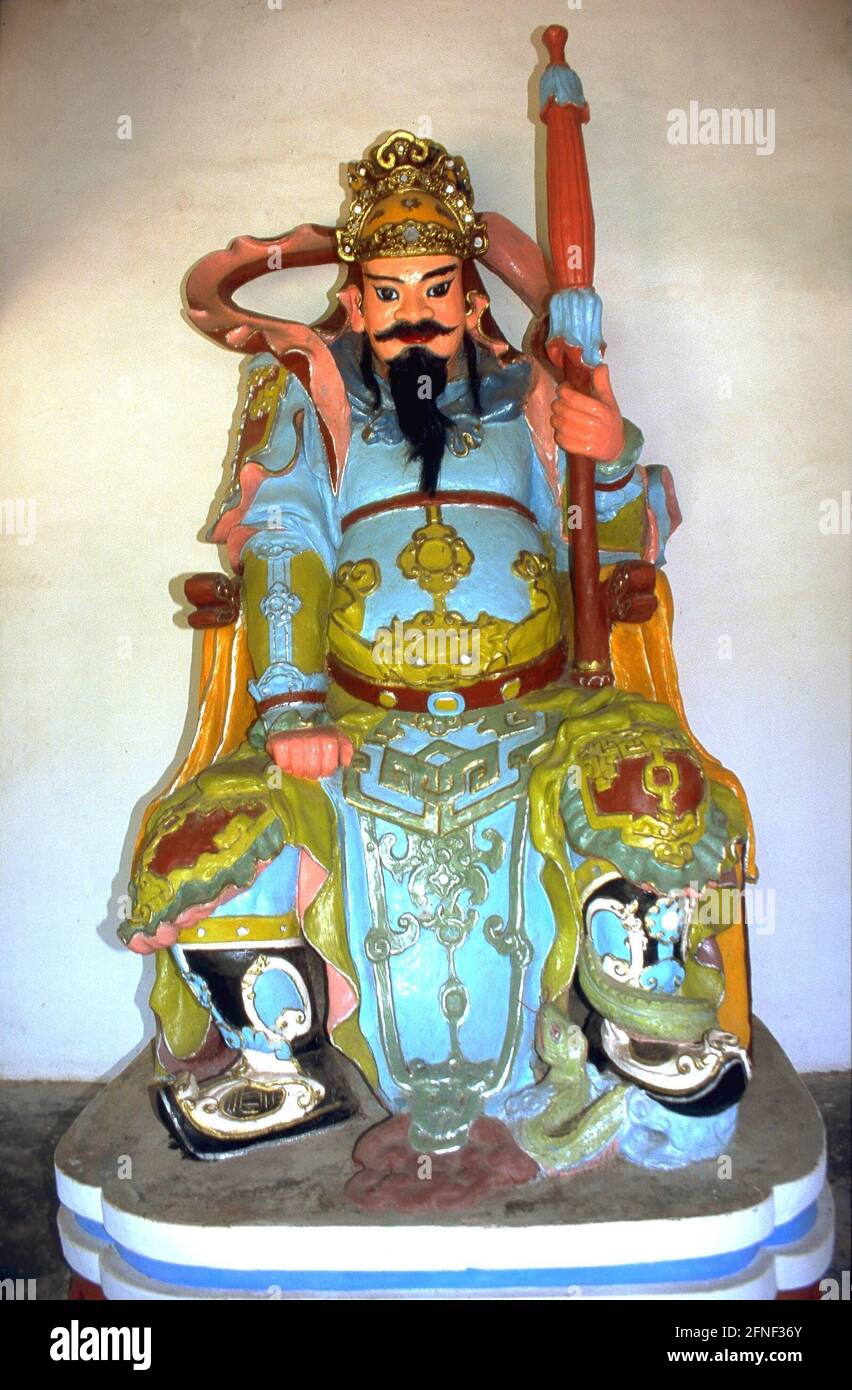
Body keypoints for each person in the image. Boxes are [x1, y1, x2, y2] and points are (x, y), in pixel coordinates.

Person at [121, 132, 751, 1160]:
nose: (413, 313)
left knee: (648, 785)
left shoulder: (535, 397)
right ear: (357, 303)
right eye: (387, 291)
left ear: (468, 298)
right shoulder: (309, 404)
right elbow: (281, 539)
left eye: (437, 287)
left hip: (543, 706)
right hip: (351, 715)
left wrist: (614, 451)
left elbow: (620, 546)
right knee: (211, 838)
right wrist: (288, 708)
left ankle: (632, 1020)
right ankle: (274, 1063)